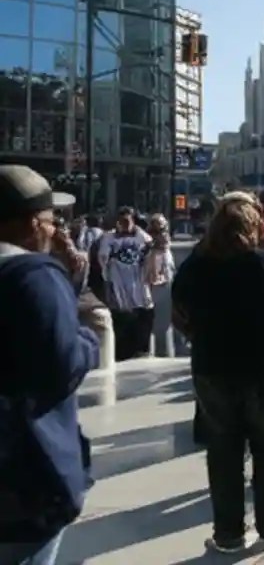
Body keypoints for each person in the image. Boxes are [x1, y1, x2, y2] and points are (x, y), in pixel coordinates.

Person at [172, 192, 264, 553]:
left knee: (223, 451)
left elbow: (179, 309)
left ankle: (228, 534)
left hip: (213, 369)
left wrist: (197, 332)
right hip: (263, 369)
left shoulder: (197, 263)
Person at [0, 165, 99, 565]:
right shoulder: (33, 275)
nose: (55, 229)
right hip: (24, 477)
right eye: (50, 219)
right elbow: (62, 362)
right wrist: (88, 340)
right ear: (30, 224)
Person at [96, 207, 154, 361]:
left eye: (128, 221)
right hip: (118, 282)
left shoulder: (140, 236)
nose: (125, 224)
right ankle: (122, 352)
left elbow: (151, 247)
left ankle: (141, 350)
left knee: (141, 314)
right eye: (122, 221)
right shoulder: (109, 238)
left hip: (137, 283)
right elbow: (103, 260)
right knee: (121, 316)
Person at [145, 214, 181, 356]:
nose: (164, 235)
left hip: (167, 284)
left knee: (167, 325)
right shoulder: (150, 249)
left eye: (164, 230)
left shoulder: (166, 250)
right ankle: (158, 353)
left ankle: (167, 352)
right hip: (156, 286)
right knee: (158, 325)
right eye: (159, 231)